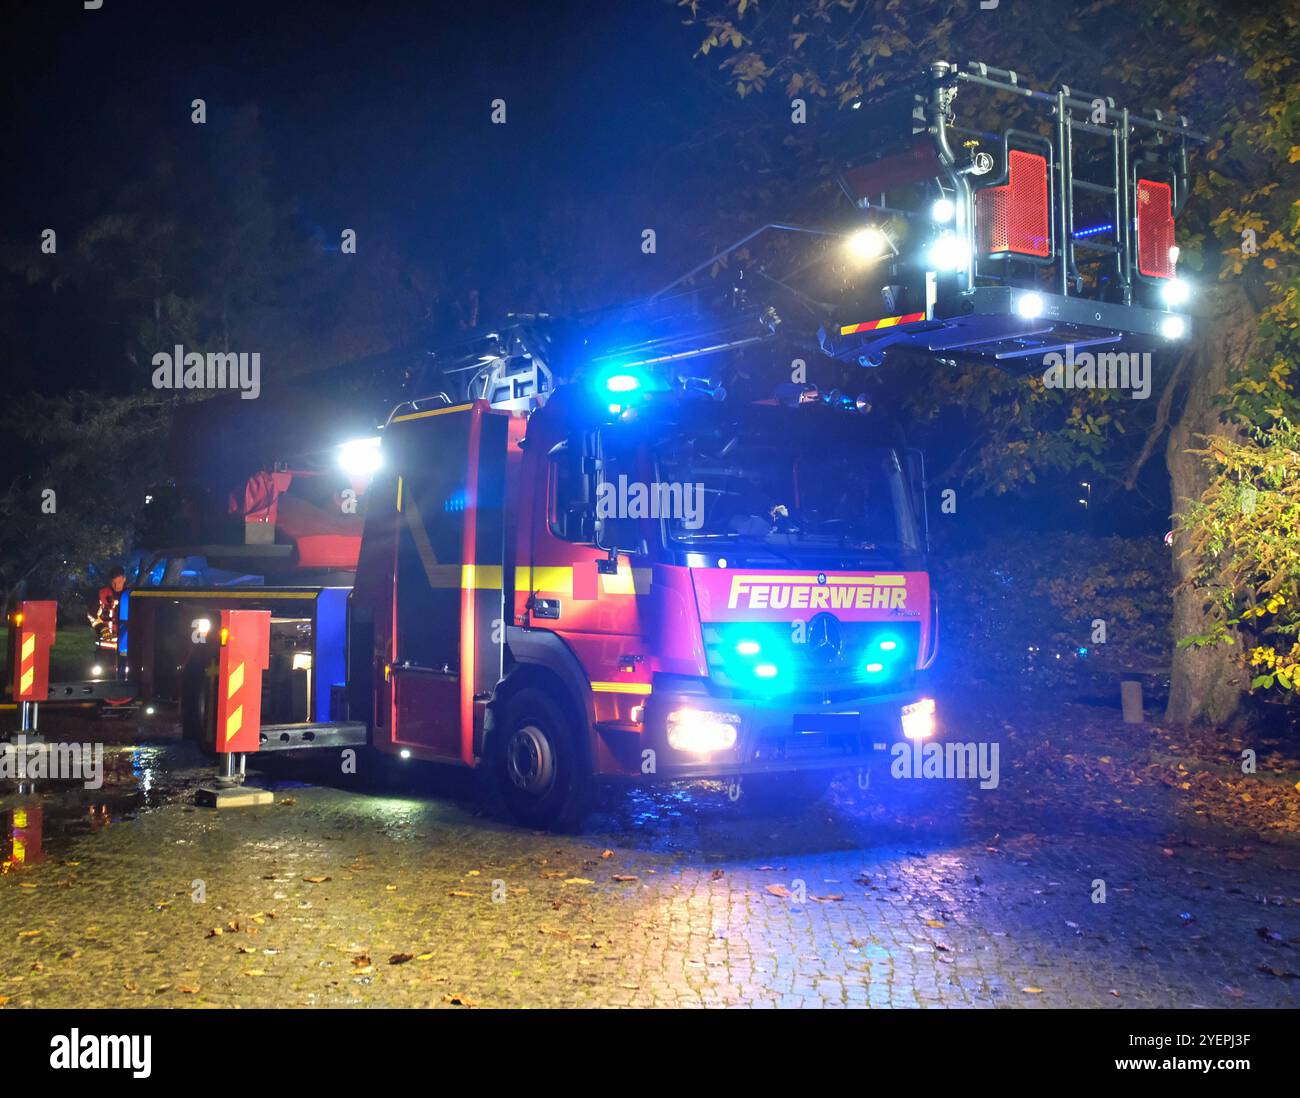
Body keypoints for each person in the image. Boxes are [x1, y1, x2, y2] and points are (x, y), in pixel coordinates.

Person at [88, 566, 127, 646]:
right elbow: (91, 614)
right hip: (105, 644)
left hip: (125, 645)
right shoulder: (102, 594)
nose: (116, 586)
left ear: (124, 579)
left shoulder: (130, 595)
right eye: (113, 583)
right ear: (110, 581)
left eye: (119, 582)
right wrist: (101, 627)